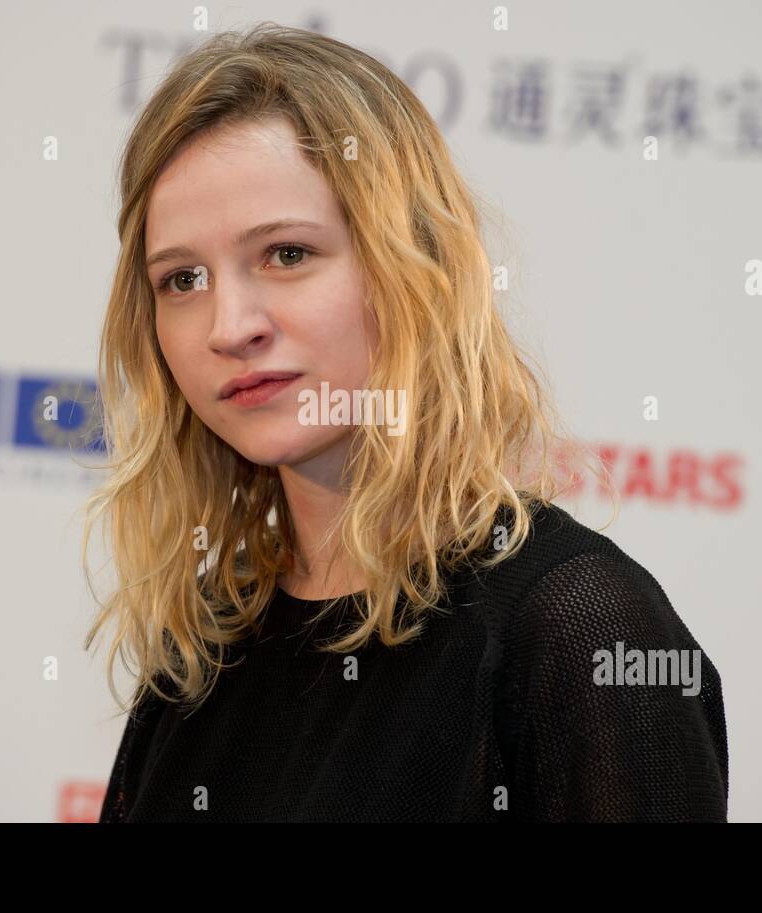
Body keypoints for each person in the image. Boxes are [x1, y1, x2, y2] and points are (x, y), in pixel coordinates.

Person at [83, 22, 728, 822]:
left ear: (412, 268)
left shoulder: (579, 626)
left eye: (286, 254)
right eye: (182, 278)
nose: (228, 325)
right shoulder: (207, 643)